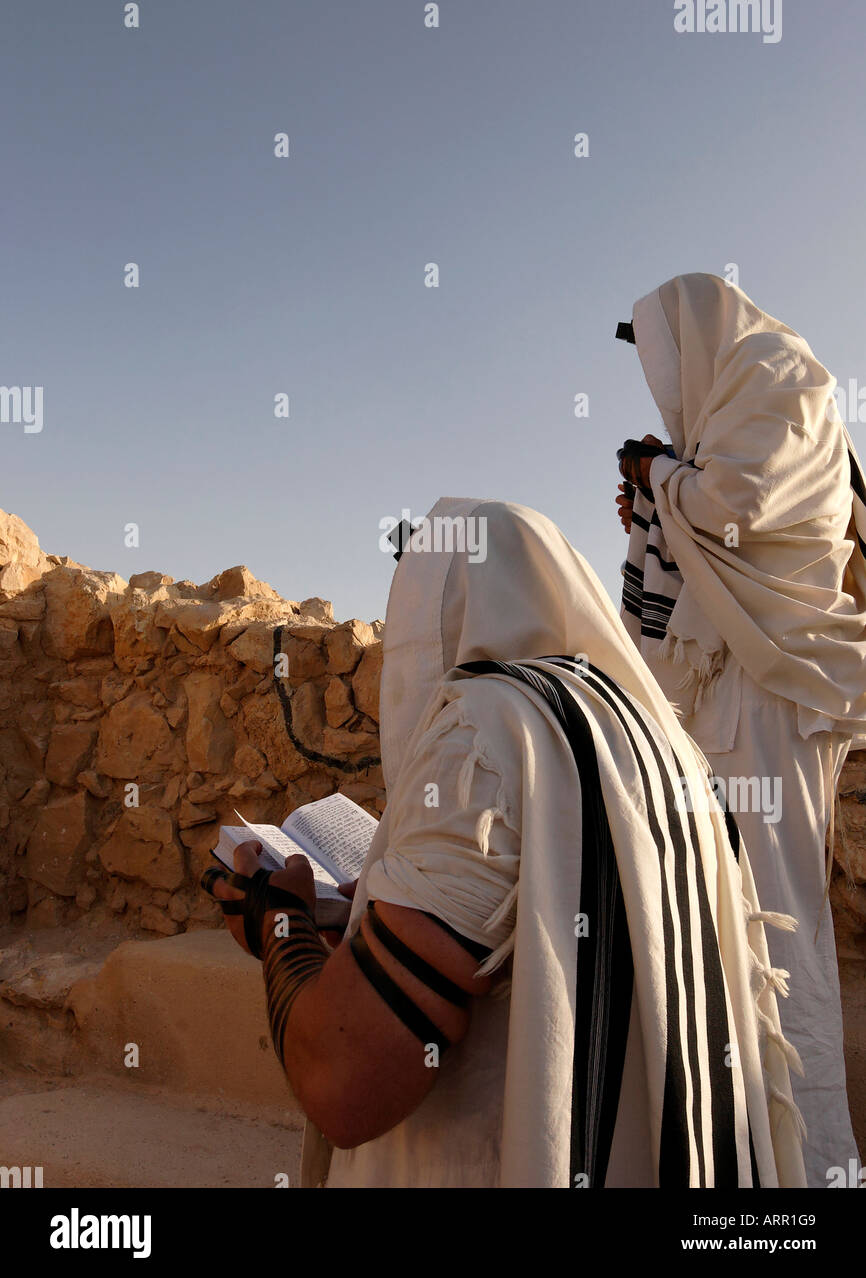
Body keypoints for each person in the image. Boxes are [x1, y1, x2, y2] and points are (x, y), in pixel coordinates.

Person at [204, 496, 805, 1188]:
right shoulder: (661, 744)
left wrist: (279, 920)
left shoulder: (486, 735)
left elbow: (347, 1079)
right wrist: (382, 915)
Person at [615, 273, 866, 1187]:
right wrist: (654, 505)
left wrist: (659, 480)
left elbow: (738, 505)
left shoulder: (786, 384)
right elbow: (710, 519)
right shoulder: (737, 406)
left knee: (784, 943)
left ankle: (819, 1177)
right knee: (723, 941)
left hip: (777, 697)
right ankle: (738, 1175)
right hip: (735, 700)